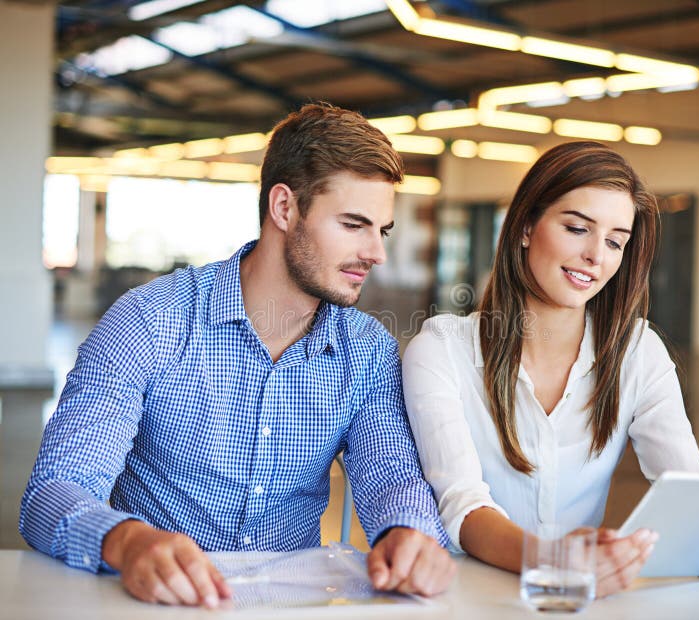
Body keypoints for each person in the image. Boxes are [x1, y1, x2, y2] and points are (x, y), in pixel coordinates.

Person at [19, 103, 455, 608]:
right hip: (156, 604)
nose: (376, 253)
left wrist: (408, 533)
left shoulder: (367, 350)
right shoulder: (149, 321)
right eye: (354, 225)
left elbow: (392, 474)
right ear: (284, 208)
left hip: (289, 606)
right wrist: (127, 541)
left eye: (382, 230)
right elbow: (53, 491)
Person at [402, 141, 699, 597]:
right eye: (577, 228)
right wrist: (553, 560)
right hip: (464, 598)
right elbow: (461, 505)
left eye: (615, 242)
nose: (596, 256)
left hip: (577, 602)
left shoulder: (638, 351)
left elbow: (690, 492)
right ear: (526, 226)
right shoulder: (442, 350)